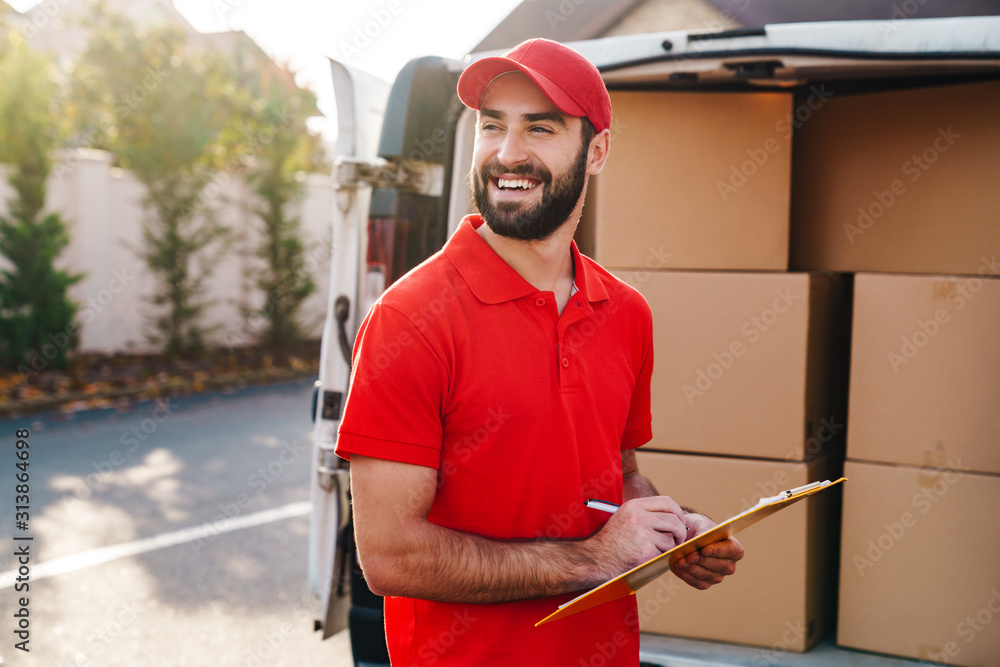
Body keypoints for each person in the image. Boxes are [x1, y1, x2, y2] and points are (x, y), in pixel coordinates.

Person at [336, 37, 744, 666]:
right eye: (491, 125)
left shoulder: (626, 313)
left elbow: (618, 474)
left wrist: (669, 532)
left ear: (597, 150)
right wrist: (596, 558)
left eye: (540, 128)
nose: (508, 152)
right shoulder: (409, 320)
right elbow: (390, 556)